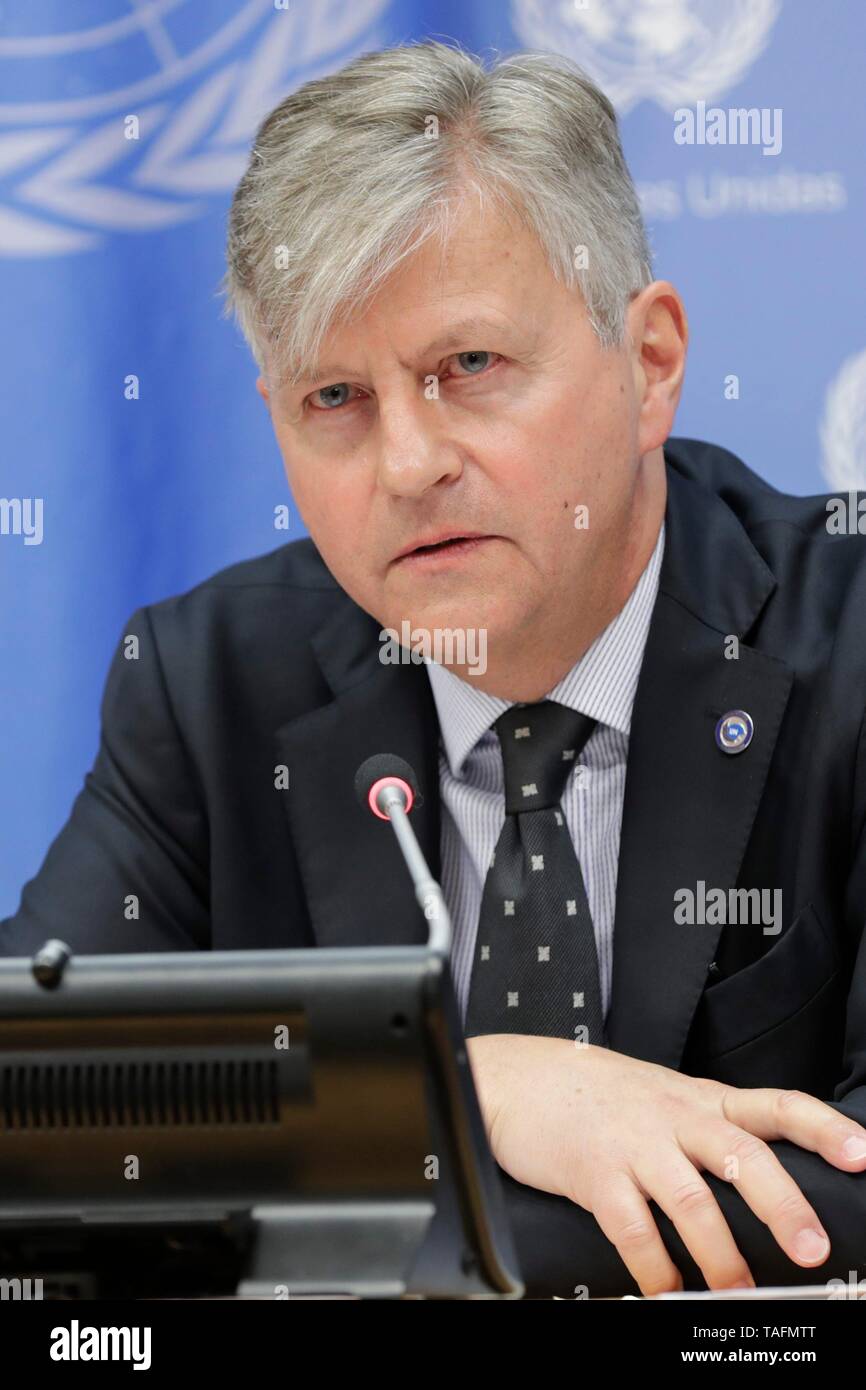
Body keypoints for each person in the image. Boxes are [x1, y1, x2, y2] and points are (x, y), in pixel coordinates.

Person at [3, 40, 866, 1300]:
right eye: (336, 397)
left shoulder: (844, 639)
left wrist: (413, 1211)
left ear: (651, 366)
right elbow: (38, 1118)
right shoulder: (209, 685)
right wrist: (454, 1091)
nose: (407, 463)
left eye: (466, 367)